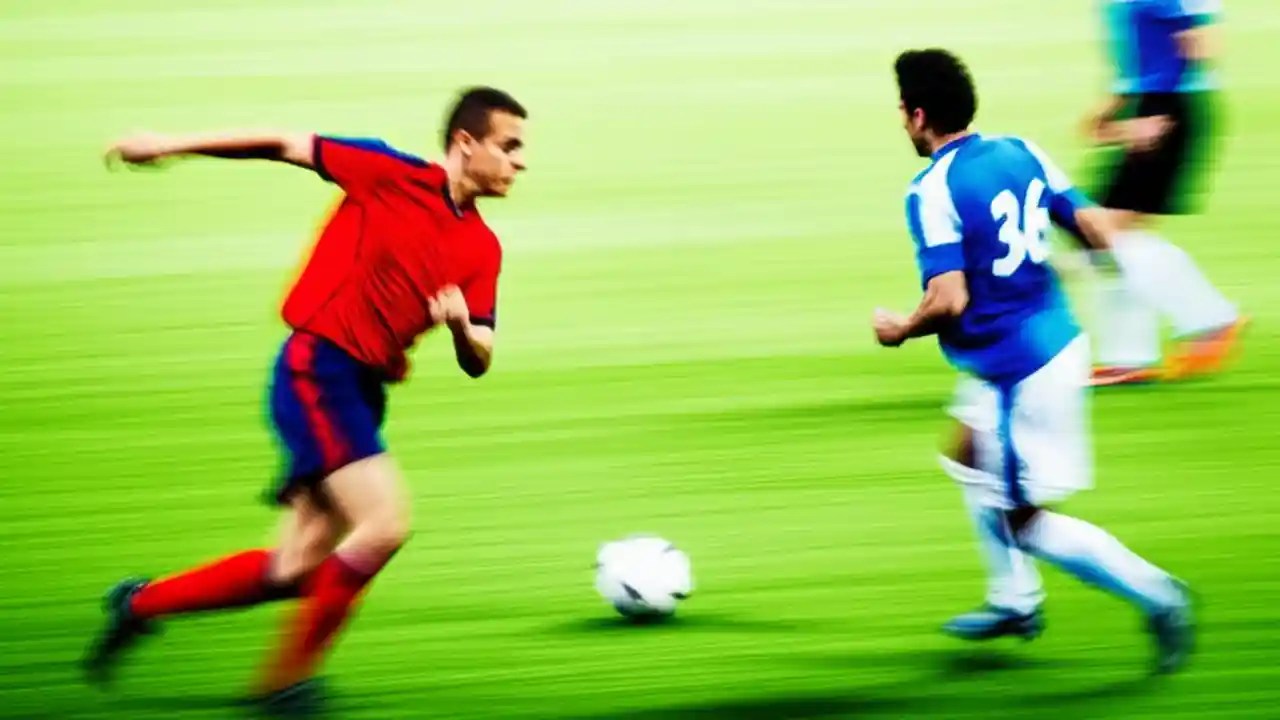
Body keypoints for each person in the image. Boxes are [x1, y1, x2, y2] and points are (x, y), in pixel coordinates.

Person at [83, 86, 528, 714]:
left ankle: (139, 603)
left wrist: (458, 325)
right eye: (508, 147)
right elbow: (282, 142)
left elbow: (481, 352)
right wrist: (168, 145)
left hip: (361, 390)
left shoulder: (484, 248)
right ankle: (283, 686)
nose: (519, 162)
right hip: (317, 368)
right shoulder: (389, 173)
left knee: (292, 568)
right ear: (466, 143)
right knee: (384, 525)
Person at [873, 49, 1194, 673]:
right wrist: (1063, 266)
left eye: (902, 113)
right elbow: (1096, 227)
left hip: (1021, 374)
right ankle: (1013, 600)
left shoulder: (931, 190)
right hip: (1049, 344)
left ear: (917, 116)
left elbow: (949, 297)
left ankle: (1158, 594)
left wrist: (899, 329)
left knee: (1025, 521)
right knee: (963, 454)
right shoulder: (1022, 150)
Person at [1084, 0, 1244, 386]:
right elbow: (1140, 54)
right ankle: (1130, 358)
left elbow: (1201, 41)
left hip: (1168, 110)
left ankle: (1211, 319)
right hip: (1154, 105)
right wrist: (1113, 108)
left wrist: (1157, 113)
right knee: (1105, 236)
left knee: (1101, 231)